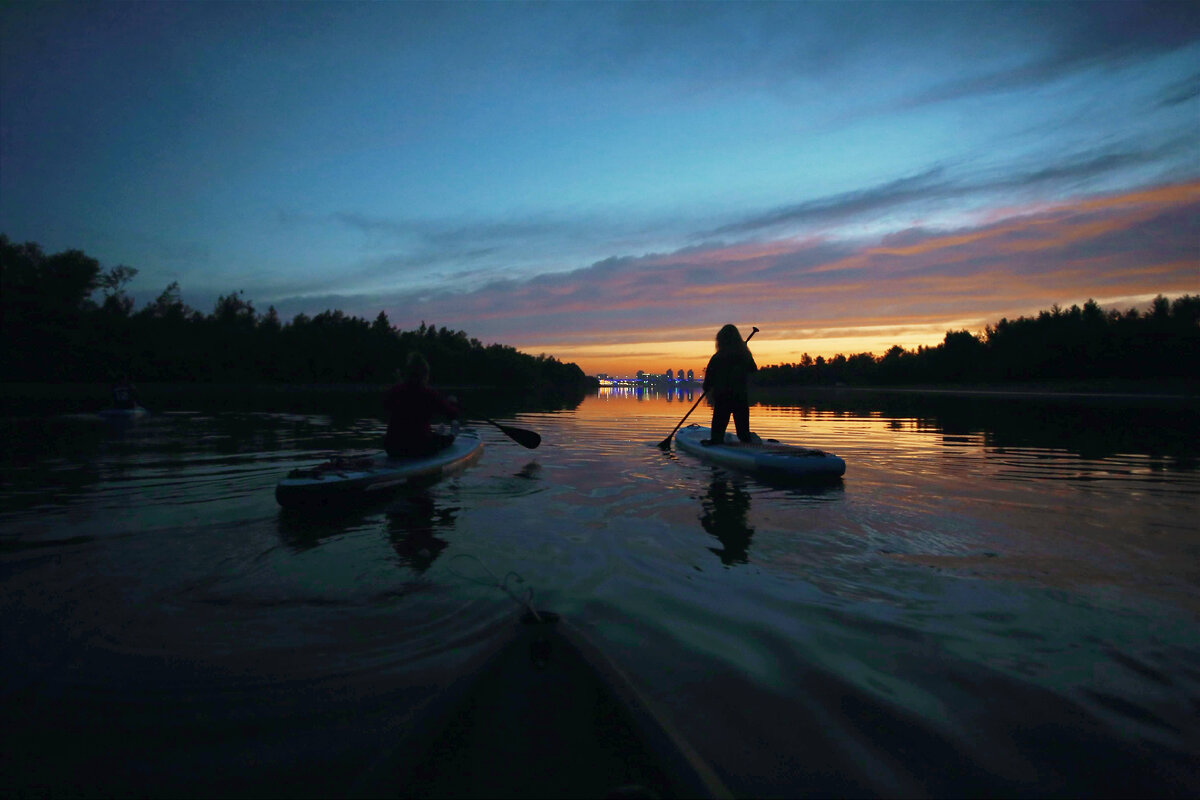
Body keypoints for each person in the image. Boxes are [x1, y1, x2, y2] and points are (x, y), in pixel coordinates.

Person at [384, 352, 461, 458]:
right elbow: (453, 414)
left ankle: (436, 433)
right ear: (425, 375)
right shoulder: (429, 393)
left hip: (392, 448)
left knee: (423, 435)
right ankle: (452, 434)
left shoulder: (394, 391)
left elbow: (386, 406)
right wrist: (452, 403)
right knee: (443, 440)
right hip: (420, 448)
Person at [702, 324, 757, 446]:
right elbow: (753, 370)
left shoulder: (717, 357)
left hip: (723, 398)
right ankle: (747, 441)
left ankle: (717, 444)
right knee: (743, 434)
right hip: (740, 397)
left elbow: (707, 383)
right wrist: (746, 352)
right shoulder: (744, 356)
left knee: (717, 436)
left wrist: (708, 388)